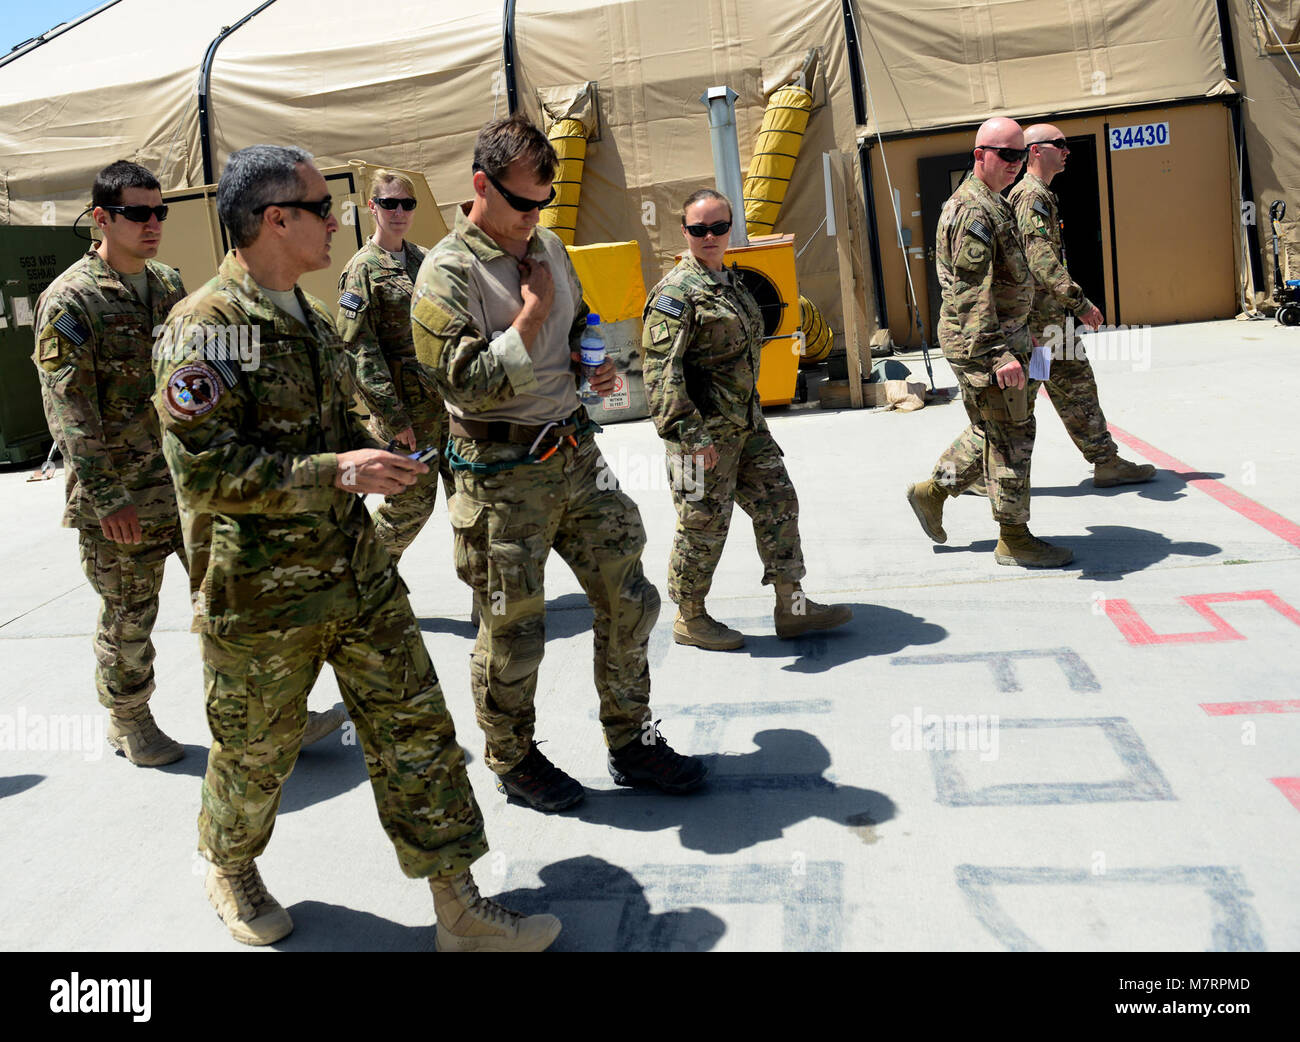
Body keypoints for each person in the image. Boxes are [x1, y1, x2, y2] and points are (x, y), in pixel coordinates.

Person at [153, 144, 559, 951]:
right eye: (320, 208)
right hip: (262, 597)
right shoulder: (206, 328)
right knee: (256, 754)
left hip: (356, 574)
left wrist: (375, 456)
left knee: (416, 730)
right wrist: (338, 470)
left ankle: (459, 907)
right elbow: (204, 473)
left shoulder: (305, 311)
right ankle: (228, 863)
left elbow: (328, 425)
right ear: (275, 220)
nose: (338, 221)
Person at [411, 115, 707, 812]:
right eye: (521, 203)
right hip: (499, 471)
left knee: (628, 596)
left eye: (543, 202)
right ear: (481, 186)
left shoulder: (545, 245)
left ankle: (630, 740)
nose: (534, 217)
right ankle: (513, 758)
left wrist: (590, 361)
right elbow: (466, 382)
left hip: (574, 450)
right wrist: (532, 313)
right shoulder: (445, 275)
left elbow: (582, 323)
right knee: (513, 626)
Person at [640, 189, 852, 650]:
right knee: (703, 524)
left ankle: (791, 607)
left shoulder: (731, 284)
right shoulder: (676, 295)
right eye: (699, 229)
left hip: (747, 426)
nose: (710, 236)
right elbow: (660, 374)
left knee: (779, 502)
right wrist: (691, 436)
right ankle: (689, 617)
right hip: (701, 436)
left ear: (730, 228)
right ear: (685, 232)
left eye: (718, 227)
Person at [32, 161, 190, 766]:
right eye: (137, 213)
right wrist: (107, 498)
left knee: (228, 597)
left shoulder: (169, 284)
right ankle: (129, 721)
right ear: (102, 218)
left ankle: (263, 712)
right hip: (120, 498)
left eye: (159, 212)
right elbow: (67, 411)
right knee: (131, 616)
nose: (153, 224)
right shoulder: (71, 300)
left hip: (183, 484)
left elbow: (195, 375)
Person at [905, 117, 1072, 568]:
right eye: (1006, 155)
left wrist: (1028, 336)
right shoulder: (973, 211)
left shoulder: (995, 202)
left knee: (992, 428)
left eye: (1020, 155)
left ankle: (933, 490)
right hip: (985, 344)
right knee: (1013, 434)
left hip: (1010, 336)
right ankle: (1014, 538)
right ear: (980, 155)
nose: (1015, 164)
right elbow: (968, 292)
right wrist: (998, 353)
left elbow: (1009, 283)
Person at [1009, 125, 1155, 488]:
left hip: (1047, 326)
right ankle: (970, 470)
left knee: (1069, 390)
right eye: (1059, 144)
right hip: (1042, 329)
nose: (1066, 151)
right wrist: (1079, 302)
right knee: (1026, 401)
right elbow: (1040, 257)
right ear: (1036, 151)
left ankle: (1105, 461)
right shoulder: (1031, 196)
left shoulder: (1039, 194)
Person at [336, 169, 456, 561]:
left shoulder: (426, 259)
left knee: (474, 499)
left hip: (447, 406)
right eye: (389, 203)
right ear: (372, 207)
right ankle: (364, 576)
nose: (399, 211)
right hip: (406, 414)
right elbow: (360, 350)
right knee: (410, 507)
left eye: (407, 204)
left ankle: (490, 601)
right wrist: (393, 416)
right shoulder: (362, 271)